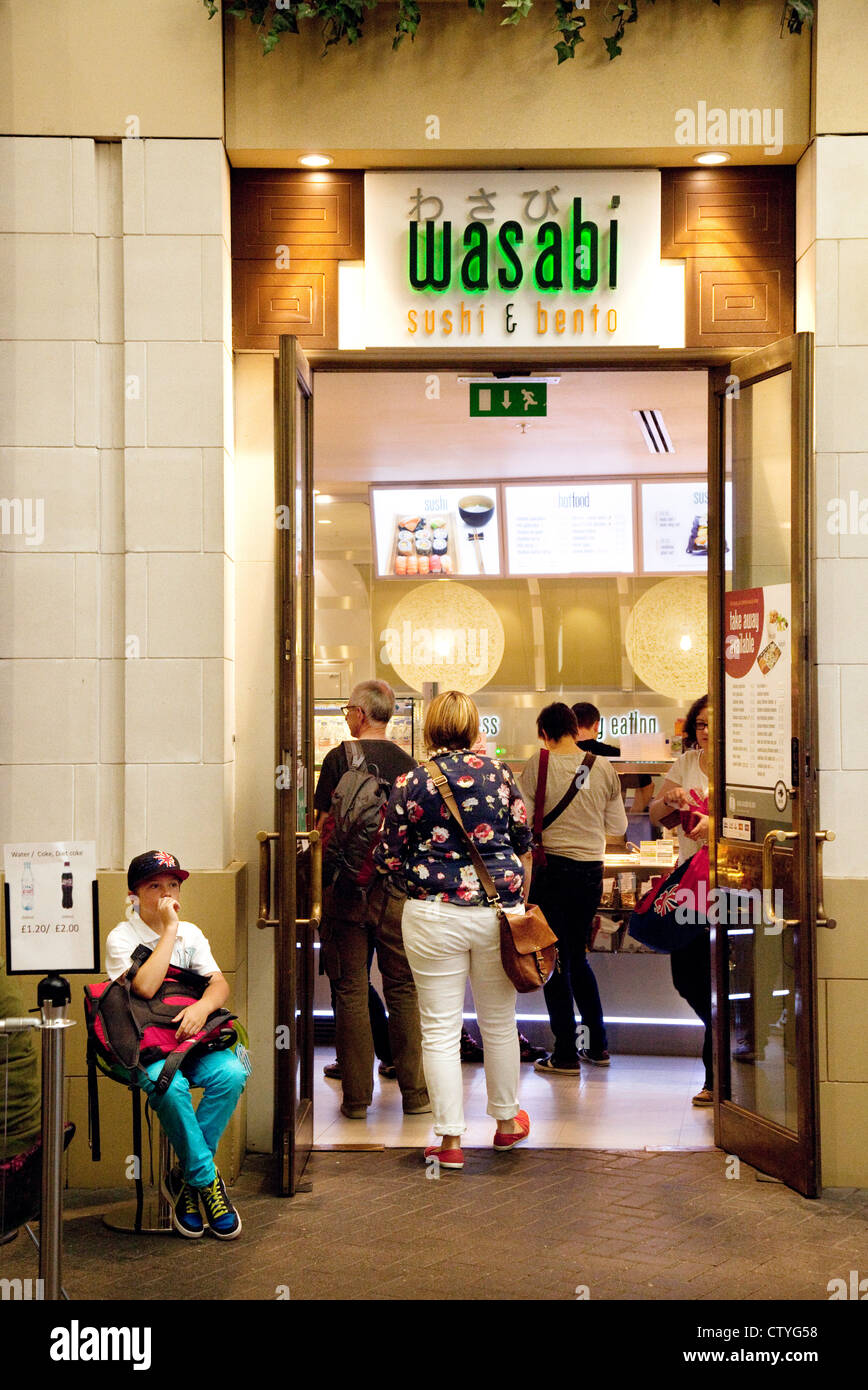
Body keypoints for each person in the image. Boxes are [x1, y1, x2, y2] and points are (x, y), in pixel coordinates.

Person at [374, 690, 533, 1170]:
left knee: (440, 1030)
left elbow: (387, 856)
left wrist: (423, 881)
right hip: (496, 913)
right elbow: (524, 840)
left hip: (431, 914)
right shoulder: (501, 775)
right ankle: (506, 1125)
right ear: (472, 726)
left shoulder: (411, 780)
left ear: (429, 729)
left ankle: (449, 1141)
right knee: (499, 1023)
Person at [104, 851, 246, 1239]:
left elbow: (219, 983)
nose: (167, 894)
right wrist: (168, 930)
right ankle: (205, 1180)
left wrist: (203, 1007)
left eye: (173, 885)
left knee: (233, 1072)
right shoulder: (122, 937)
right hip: (145, 1047)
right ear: (134, 894)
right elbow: (146, 987)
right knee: (171, 1085)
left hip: (191, 1043)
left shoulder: (192, 933)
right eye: (155, 886)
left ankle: (182, 1178)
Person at [314, 680, 429, 1120]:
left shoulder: (339, 758)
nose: (347, 717)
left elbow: (321, 825)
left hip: (346, 894)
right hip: (398, 893)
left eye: (347, 710)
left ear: (360, 714)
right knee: (403, 988)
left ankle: (357, 1101)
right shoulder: (411, 765)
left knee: (351, 990)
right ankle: (416, 1095)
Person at [520, 702, 628, 1072]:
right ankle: (598, 1045)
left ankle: (566, 1052)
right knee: (577, 957)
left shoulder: (539, 763)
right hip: (590, 873)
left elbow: (521, 821)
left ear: (544, 734)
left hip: (551, 872)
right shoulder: (602, 767)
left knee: (554, 960)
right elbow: (617, 826)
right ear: (576, 729)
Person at [649, 694, 713, 1107]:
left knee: (722, 978)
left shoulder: (742, 763)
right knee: (687, 977)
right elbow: (656, 813)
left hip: (732, 883)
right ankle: (730, 1032)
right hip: (690, 881)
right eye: (701, 724)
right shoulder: (687, 763)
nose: (706, 731)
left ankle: (716, 1075)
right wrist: (668, 801)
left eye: (713, 723)